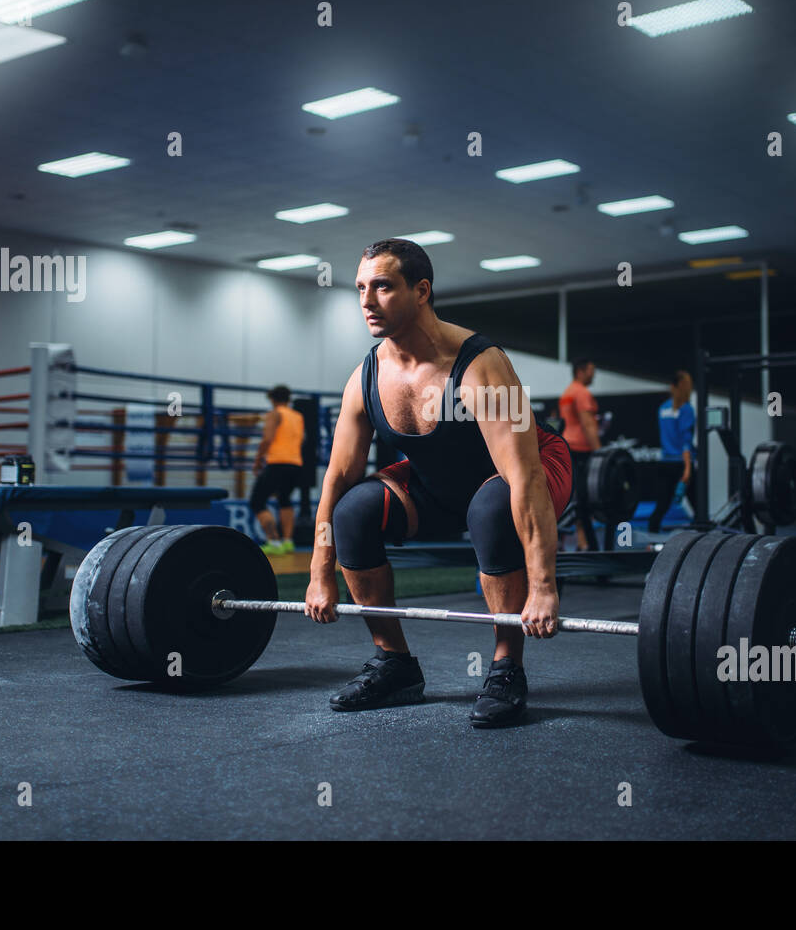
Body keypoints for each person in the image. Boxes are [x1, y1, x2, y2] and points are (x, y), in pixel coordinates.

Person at [306, 238, 573, 728]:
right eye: (361, 288)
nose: (366, 301)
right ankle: (395, 665)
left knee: (492, 506)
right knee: (353, 511)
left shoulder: (481, 365)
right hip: (439, 483)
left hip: (532, 470)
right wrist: (320, 571)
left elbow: (524, 475)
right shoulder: (364, 378)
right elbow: (337, 479)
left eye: (383, 286)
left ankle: (506, 667)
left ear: (422, 290)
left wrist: (544, 586)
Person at [249, 385, 305, 555]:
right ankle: (288, 542)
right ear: (288, 399)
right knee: (285, 500)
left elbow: (267, 439)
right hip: (295, 464)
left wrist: (258, 461)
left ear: (272, 399)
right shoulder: (297, 416)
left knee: (257, 501)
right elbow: (301, 440)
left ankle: (274, 541)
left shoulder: (275, 413)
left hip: (277, 463)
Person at [558, 357, 601, 551]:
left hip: (568, 449)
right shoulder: (582, 393)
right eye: (591, 370)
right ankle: (588, 546)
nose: (594, 374)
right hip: (582, 452)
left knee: (576, 500)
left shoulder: (567, 392)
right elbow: (588, 424)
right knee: (583, 502)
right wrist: (600, 454)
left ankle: (582, 542)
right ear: (581, 371)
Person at [650, 370, 696, 532]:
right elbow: (686, 441)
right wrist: (688, 469)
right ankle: (702, 541)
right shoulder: (687, 410)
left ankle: (651, 536)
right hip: (681, 463)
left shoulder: (663, 408)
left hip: (665, 463)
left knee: (661, 505)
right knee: (699, 507)